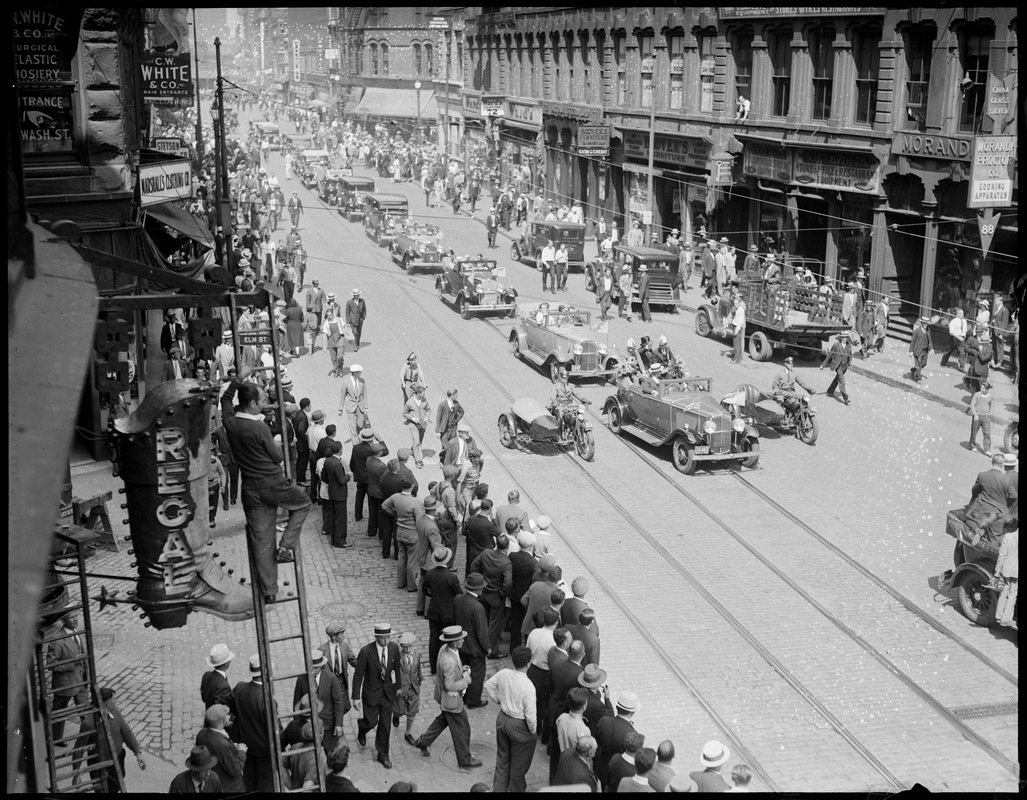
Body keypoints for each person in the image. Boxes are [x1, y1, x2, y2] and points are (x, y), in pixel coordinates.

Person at [220, 365, 312, 602]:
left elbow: (227, 397)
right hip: (272, 482)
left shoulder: (230, 422)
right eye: (261, 400)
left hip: (250, 489)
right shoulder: (259, 427)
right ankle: (286, 547)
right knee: (302, 504)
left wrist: (239, 379)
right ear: (252, 404)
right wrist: (277, 446)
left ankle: (269, 590)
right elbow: (278, 457)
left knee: (261, 539)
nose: (263, 403)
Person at [412, 626, 483, 768]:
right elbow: (449, 685)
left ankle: (423, 741)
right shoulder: (449, 662)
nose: (463, 640)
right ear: (454, 642)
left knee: (443, 720)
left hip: (444, 698)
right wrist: (466, 681)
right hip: (451, 700)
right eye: (460, 639)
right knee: (463, 729)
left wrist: (460, 670)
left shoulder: (445, 648)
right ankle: (465, 760)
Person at [483, 645, 537, 792]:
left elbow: (488, 685)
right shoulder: (528, 686)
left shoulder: (504, 673)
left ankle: (499, 789)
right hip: (519, 725)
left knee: (502, 760)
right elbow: (531, 716)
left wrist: (500, 700)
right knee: (518, 768)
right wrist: (532, 731)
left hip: (502, 719)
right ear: (528, 664)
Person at [72, 687, 146, 792]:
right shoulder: (88, 724)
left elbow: (127, 733)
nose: (116, 702)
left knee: (116, 787)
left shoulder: (115, 713)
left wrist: (138, 753)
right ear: (106, 704)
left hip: (117, 761)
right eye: (114, 700)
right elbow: (79, 749)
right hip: (98, 765)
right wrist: (77, 773)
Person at [352, 622, 402, 769]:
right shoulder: (366, 652)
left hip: (387, 693)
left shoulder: (393, 648)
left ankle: (383, 754)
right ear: (376, 637)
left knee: (385, 725)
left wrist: (398, 686)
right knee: (371, 721)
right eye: (382, 638)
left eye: (388, 637)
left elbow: (396, 668)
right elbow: (358, 675)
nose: (386, 641)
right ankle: (362, 728)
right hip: (371, 693)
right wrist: (355, 697)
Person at [232, 655, 276, 792]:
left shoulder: (240, 688)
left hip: (246, 746)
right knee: (266, 784)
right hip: (265, 750)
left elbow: (228, 704)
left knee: (249, 782)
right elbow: (274, 728)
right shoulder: (267, 699)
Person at [47, 611, 89, 744]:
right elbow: (51, 665)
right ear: (64, 621)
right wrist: (72, 663)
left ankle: (90, 736)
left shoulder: (77, 632)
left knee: (85, 711)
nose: (75, 619)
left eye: (76, 616)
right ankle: (55, 737)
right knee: (60, 711)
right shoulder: (57, 640)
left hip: (81, 680)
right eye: (71, 617)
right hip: (65, 684)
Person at [470, 533, 513, 658]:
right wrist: (503, 593)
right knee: (494, 625)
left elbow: (474, 566)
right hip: (496, 596)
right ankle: (492, 651)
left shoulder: (486, 553)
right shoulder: (506, 563)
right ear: (507, 546)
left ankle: (482, 643)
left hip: (483, 592)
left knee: (484, 621)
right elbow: (508, 583)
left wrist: (478, 583)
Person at [453, 573, 491, 707]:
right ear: (479, 589)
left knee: (463, 671)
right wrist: (487, 647)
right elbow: (482, 632)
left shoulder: (458, 599)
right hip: (475, 648)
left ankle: (463, 695)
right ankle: (473, 700)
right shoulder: (478, 607)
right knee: (476, 674)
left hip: (461, 643)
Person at [422, 545, 462, 672]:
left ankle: (433, 667)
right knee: (447, 639)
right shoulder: (451, 577)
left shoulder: (429, 574)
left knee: (433, 638)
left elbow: (424, 590)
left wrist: (434, 596)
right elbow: (459, 594)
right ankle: (444, 666)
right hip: (448, 612)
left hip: (434, 610)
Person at [382, 476, 422, 590]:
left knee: (402, 558)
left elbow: (384, 506)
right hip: (412, 534)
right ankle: (411, 585)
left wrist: (395, 514)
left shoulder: (395, 497)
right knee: (412, 561)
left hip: (400, 531)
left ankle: (401, 582)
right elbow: (418, 520)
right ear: (412, 486)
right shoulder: (414, 502)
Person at [195, 705, 245, 794]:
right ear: (223, 720)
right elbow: (235, 770)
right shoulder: (223, 745)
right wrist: (242, 752)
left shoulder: (201, 734)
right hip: (229, 788)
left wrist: (231, 747)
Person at [595, 692, 640, 791]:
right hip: (619, 776)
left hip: (602, 769)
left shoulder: (603, 721)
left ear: (617, 707)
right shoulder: (631, 734)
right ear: (632, 713)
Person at [322, 440, 352, 548]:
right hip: (339, 493)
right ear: (340, 451)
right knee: (340, 518)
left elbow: (324, 477)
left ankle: (334, 539)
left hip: (332, 491)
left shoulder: (328, 461)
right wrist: (348, 476)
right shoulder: (337, 464)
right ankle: (340, 540)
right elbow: (341, 480)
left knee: (333, 516)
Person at [200, 643, 235, 712]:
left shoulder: (206, 675)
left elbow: (204, 698)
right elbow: (220, 712)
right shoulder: (224, 687)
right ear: (226, 664)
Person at [994, 526, 1018, 627]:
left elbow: (1002, 555)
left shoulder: (1008, 537)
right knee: (1012, 594)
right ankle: (1006, 618)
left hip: (1006, 570)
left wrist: (997, 571)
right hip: (1016, 571)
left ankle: (998, 616)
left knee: (1003, 592)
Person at [821, 331, 853, 405]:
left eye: (845, 337)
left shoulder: (849, 346)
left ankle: (829, 391)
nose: (844, 339)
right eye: (843, 337)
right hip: (838, 366)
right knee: (842, 381)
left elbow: (850, 355)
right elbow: (829, 355)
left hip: (845, 366)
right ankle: (845, 398)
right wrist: (823, 365)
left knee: (837, 379)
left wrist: (849, 363)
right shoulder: (836, 345)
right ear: (840, 338)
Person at [339, 364, 369, 444]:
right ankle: (356, 446)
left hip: (360, 407)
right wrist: (340, 409)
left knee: (360, 425)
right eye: (359, 372)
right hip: (351, 408)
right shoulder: (346, 382)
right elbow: (342, 396)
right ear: (355, 373)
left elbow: (364, 394)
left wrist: (366, 407)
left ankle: (358, 436)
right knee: (353, 429)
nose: (360, 373)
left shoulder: (362, 381)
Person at [403, 383, 430, 469]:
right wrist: (413, 418)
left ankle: (413, 451)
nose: (424, 394)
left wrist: (426, 418)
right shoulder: (409, 402)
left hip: (422, 424)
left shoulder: (425, 400)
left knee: (420, 441)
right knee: (416, 441)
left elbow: (429, 410)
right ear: (417, 393)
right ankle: (418, 460)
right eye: (422, 393)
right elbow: (405, 413)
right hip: (413, 425)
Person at [435, 389, 465, 456]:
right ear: (452, 395)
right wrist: (438, 431)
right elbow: (438, 418)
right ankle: (443, 459)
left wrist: (455, 420)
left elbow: (462, 412)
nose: (457, 396)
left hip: (453, 429)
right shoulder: (442, 405)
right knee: (445, 446)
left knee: (453, 445)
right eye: (456, 395)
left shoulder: (456, 403)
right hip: (444, 429)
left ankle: (450, 461)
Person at [967, 381, 994, 455]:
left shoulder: (990, 396)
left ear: (987, 389)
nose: (981, 389)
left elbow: (990, 405)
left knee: (987, 433)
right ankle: (972, 445)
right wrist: (975, 414)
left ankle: (987, 449)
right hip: (977, 416)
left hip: (986, 417)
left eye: (983, 388)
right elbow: (972, 405)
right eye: (981, 387)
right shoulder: (977, 395)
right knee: (974, 431)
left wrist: (989, 413)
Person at [909, 317, 931, 383]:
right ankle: (918, 378)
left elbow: (930, 339)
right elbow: (912, 341)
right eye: (924, 323)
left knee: (924, 363)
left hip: (925, 350)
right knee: (918, 365)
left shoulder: (928, 330)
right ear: (921, 323)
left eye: (926, 323)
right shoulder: (916, 331)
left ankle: (913, 370)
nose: (925, 324)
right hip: (917, 350)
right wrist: (911, 351)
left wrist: (931, 348)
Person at [728, 292, 746, 364]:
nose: (734, 304)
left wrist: (736, 330)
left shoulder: (741, 309)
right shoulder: (737, 308)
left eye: (736, 303)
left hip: (738, 327)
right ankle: (737, 356)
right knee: (735, 343)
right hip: (735, 325)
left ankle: (737, 359)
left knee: (737, 343)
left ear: (739, 302)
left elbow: (740, 321)